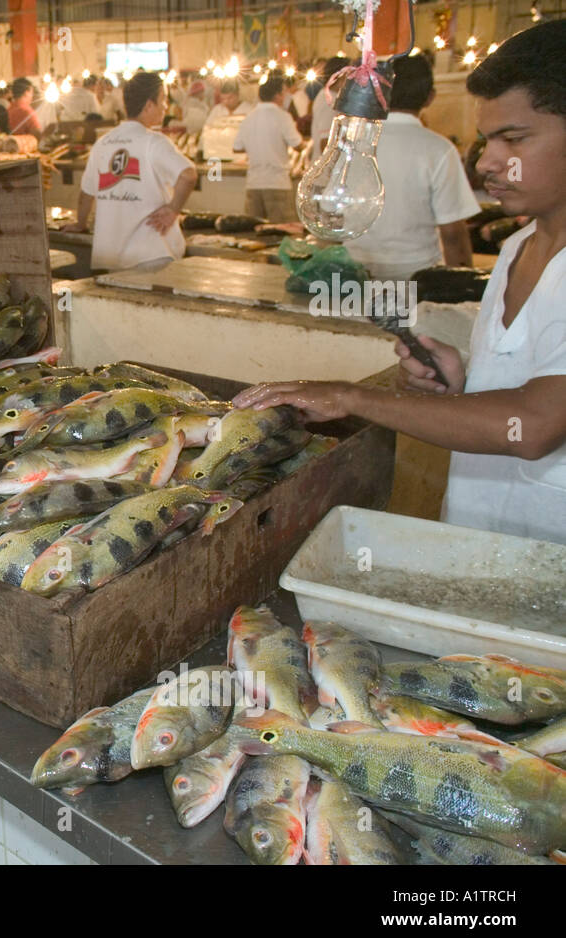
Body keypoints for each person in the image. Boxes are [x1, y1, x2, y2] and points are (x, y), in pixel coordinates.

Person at [234, 21, 566, 546]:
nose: (487, 162)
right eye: (487, 140)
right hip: (483, 542)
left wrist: (351, 397)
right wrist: (462, 385)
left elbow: (533, 424)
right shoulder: (515, 248)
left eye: (514, 139)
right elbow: (524, 390)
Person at [343, 55, 479, 280]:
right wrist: (462, 284)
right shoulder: (439, 150)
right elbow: (453, 233)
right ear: (430, 98)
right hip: (416, 276)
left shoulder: (351, 142)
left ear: (377, 93)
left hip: (353, 272)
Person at [62, 72, 197, 271]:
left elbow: (86, 194)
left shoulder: (103, 143)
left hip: (111, 259)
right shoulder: (154, 142)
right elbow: (188, 174)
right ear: (149, 105)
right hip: (153, 257)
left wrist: (80, 223)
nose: (166, 106)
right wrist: (173, 209)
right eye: (163, 100)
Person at [231, 73, 303, 222]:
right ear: (277, 95)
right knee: (280, 233)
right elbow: (298, 145)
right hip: (277, 184)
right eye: (284, 93)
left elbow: (237, 148)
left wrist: (257, 145)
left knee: (254, 234)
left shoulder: (248, 118)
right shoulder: (283, 117)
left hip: (253, 184)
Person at [309, 56, 349, 162]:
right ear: (341, 76)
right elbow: (325, 142)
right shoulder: (327, 100)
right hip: (327, 170)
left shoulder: (334, 97)